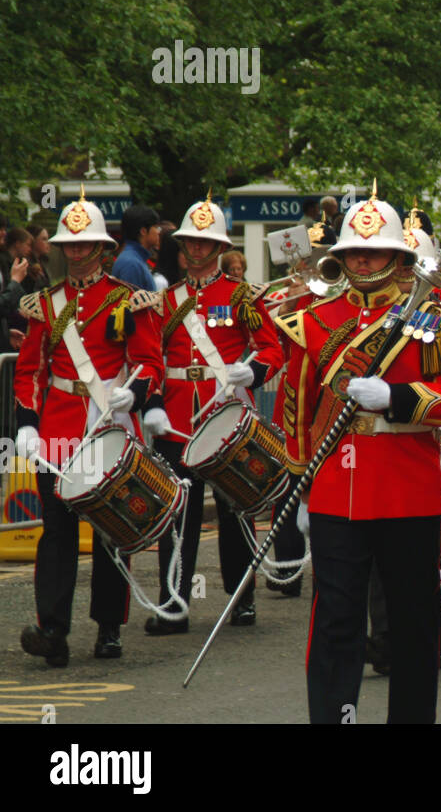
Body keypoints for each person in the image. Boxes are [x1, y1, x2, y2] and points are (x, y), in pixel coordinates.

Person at [274, 185, 441, 723]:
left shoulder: (433, 319)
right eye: (353, 253)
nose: (362, 260)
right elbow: (295, 408)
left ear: (399, 258)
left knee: (413, 624)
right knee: (335, 622)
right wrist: (300, 483)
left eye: (374, 252)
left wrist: (397, 398)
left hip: (405, 489)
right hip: (333, 491)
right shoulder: (313, 321)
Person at [13, 189, 165, 666]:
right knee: (56, 532)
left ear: (103, 249)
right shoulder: (46, 305)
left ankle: (109, 628)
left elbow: (149, 362)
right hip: (58, 428)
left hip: (109, 426)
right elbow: (30, 369)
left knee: (110, 530)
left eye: (86, 246)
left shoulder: (128, 300)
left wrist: (135, 394)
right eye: (70, 247)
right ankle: (52, 630)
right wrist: (27, 422)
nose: (77, 254)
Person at [142, 194, 285, 634]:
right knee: (176, 511)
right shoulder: (164, 301)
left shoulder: (240, 295)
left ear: (220, 247)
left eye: (206, 243)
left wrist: (250, 373)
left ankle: (241, 598)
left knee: (234, 508)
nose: (197, 250)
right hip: (178, 421)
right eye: (191, 242)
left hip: (224, 416)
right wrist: (153, 406)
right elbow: (148, 357)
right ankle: (174, 600)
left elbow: (273, 350)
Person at [112, 204, 161, 291]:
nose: (158, 232)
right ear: (143, 231)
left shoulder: (135, 259)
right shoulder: (131, 264)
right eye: (156, 227)